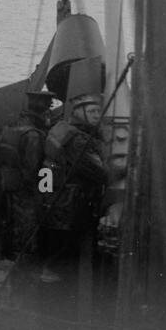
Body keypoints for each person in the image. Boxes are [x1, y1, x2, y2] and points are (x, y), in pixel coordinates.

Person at [39, 92, 110, 285]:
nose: (97, 115)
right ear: (79, 113)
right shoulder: (79, 141)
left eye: (98, 111)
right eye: (92, 111)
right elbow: (101, 173)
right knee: (67, 261)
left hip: (57, 203)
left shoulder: (62, 129)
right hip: (73, 206)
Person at [0, 89, 54, 263]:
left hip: (8, 187)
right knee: (27, 234)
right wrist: (48, 192)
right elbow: (36, 170)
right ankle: (25, 268)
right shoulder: (34, 135)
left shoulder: (11, 128)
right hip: (27, 193)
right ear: (44, 110)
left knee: (11, 228)